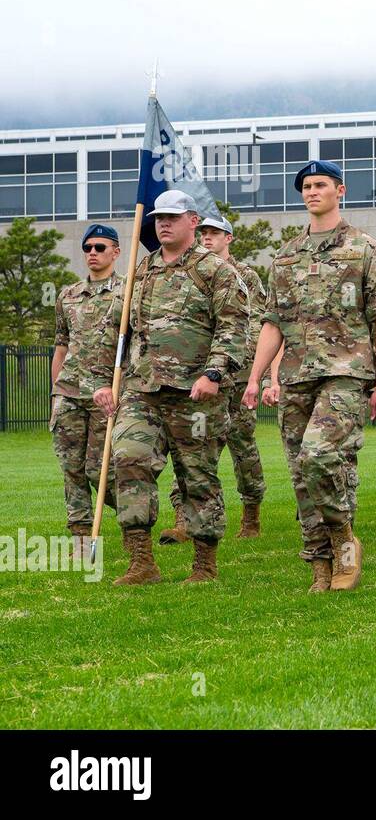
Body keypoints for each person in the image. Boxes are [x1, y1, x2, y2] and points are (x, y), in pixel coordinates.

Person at [242, 159, 376, 593]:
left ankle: (345, 543)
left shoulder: (366, 249)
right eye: (306, 186)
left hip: (347, 374)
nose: (312, 192)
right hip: (296, 376)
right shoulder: (287, 256)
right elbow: (273, 322)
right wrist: (256, 377)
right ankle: (320, 565)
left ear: (340, 191)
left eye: (321, 185)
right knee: (301, 474)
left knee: (317, 455)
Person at [93, 191, 248, 585]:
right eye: (159, 217)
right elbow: (120, 330)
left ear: (193, 221)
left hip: (195, 396)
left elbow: (234, 328)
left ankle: (204, 565)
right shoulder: (141, 272)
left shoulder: (216, 271)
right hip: (142, 391)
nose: (163, 223)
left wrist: (213, 374)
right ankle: (142, 562)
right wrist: (105, 381)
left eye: (172, 217)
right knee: (127, 460)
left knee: (197, 476)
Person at [163, 215, 268, 541]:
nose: (208, 238)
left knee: (242, 444)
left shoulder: (246, 277)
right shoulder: (190, 272)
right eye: (204, 233)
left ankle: (251, 513)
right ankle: (183, 517)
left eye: (215, 233)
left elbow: (255, 326)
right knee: (189, 445)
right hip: (198, 377)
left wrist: (245, 372)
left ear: (229, 238)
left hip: (234, 378)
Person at [51, 224, 122, 549]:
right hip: (69, 393)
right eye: (88, 247)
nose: (92, 253)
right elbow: (62, 346)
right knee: (71, 467)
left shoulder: (127, 292)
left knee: (99, 470)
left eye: (100, 247)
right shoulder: (68, 295)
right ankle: (80, 536)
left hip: (106, 394)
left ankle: (133, 516)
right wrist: (56, 390)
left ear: (116, 252)